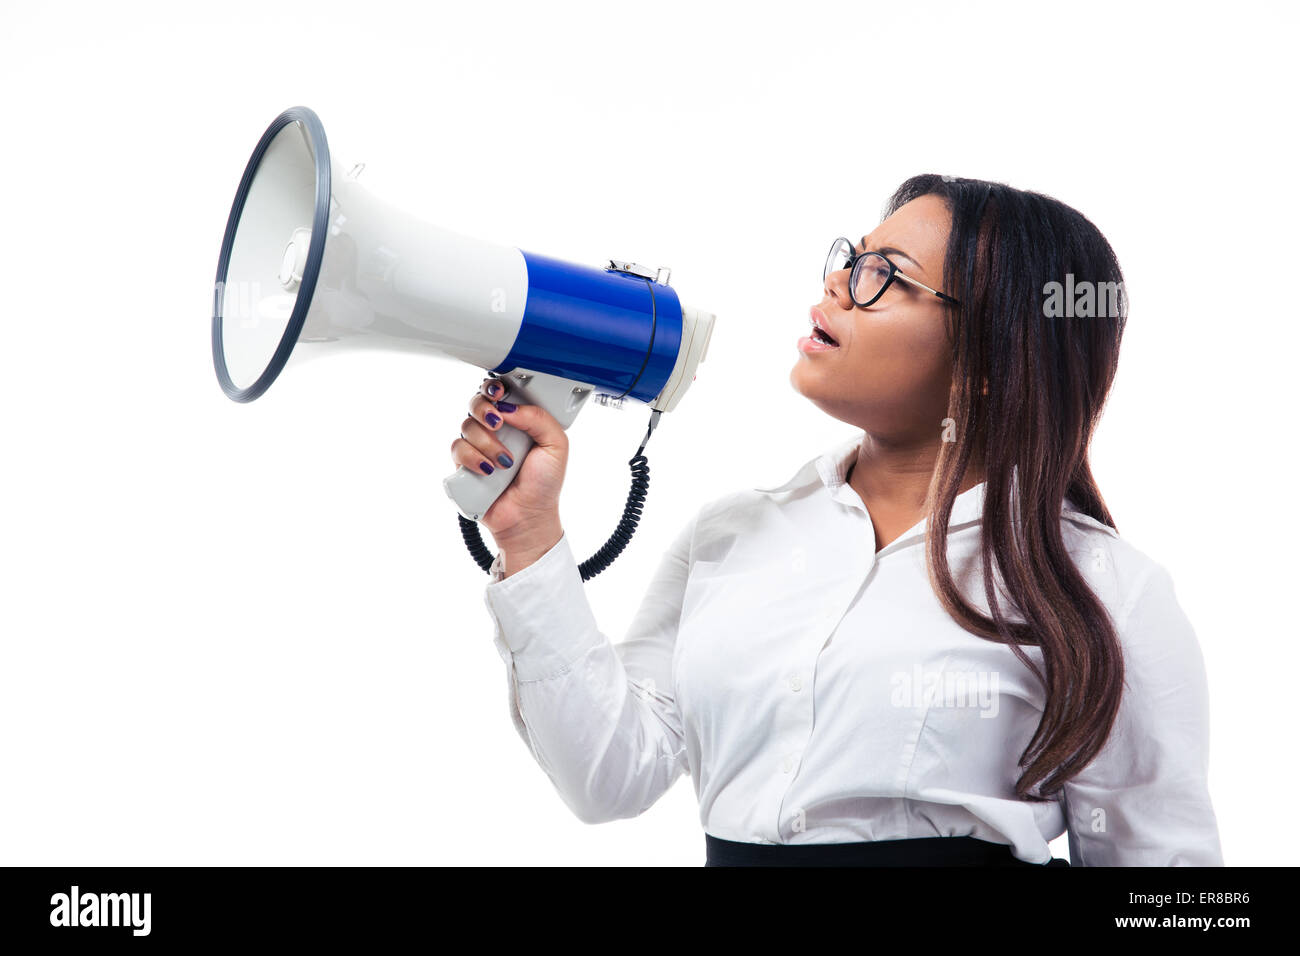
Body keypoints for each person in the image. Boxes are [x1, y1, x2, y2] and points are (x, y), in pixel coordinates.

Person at [452, 174, 1224, 867]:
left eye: (884, 276)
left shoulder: (1105, 592)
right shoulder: (729, 537)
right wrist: (529, 538)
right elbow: (607, 777)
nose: (837, 282)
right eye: (854, 256)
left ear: (991, 362)